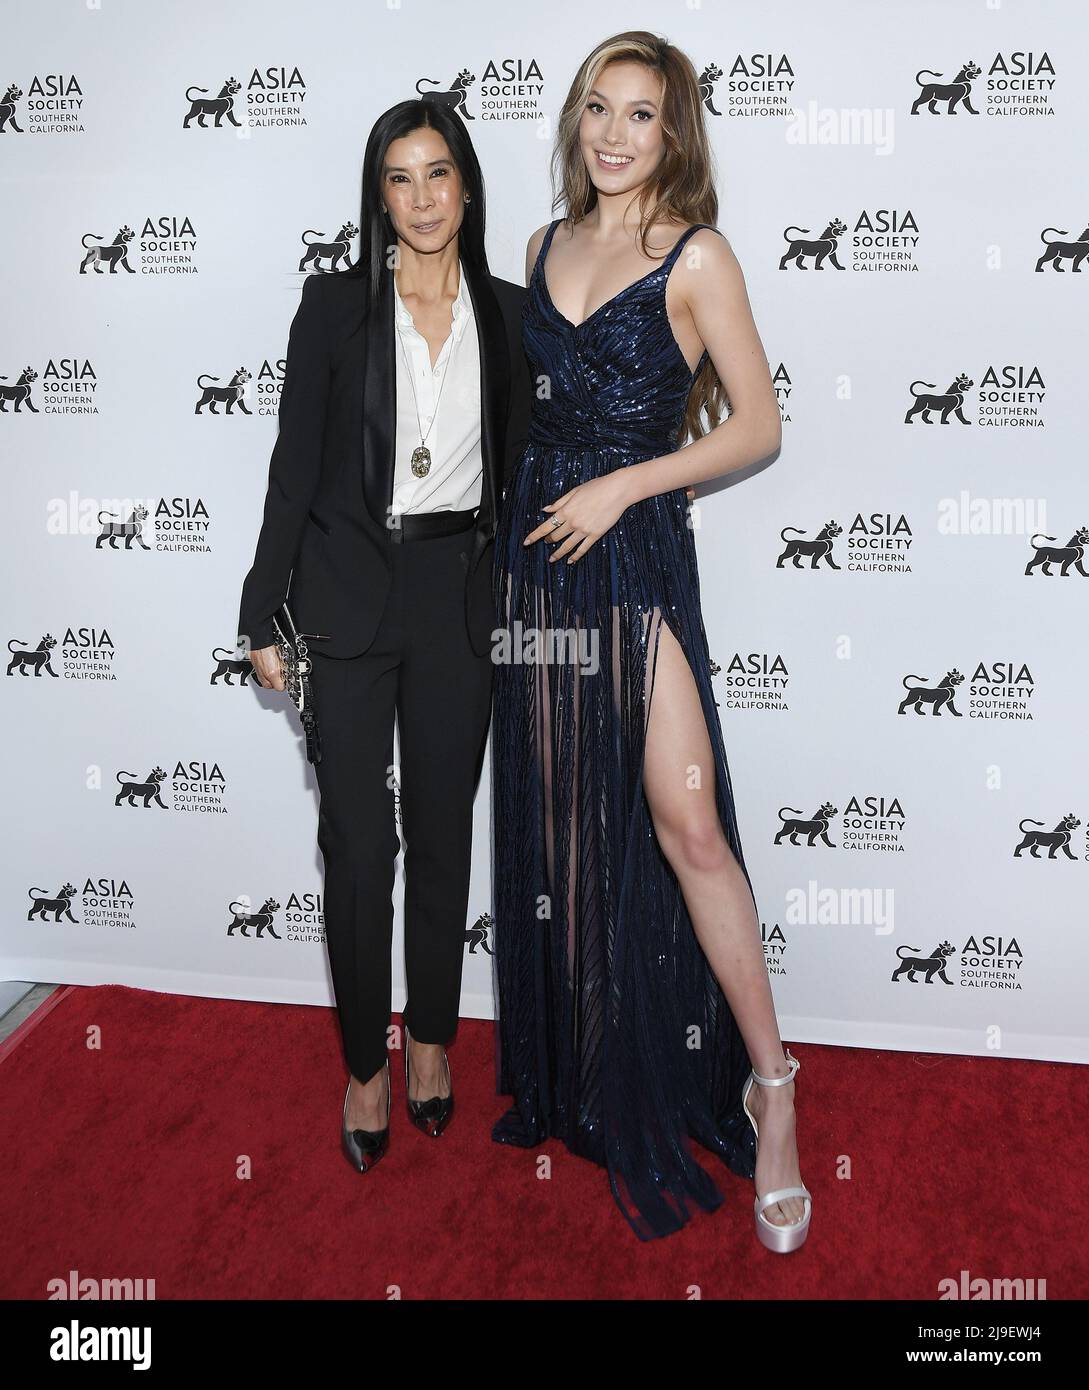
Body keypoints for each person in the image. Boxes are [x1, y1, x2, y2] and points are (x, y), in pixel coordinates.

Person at [490, 31, 810, 1248]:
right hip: (537, 567)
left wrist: (630, 487)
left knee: (686, 826)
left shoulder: (696, 255)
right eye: (596, 110)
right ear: (574, 120)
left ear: (673, 133)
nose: (614, 134)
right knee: (568, 821)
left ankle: (770, 1087)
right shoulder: (537, 246)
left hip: (632, 562)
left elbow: (759, 427)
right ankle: (601, 1067)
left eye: (640, 115)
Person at [237, 99, 531, 1173]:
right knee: (360, 847)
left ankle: (435, 1041)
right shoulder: (330, 310)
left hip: (458, 598)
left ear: (466, 186)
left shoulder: (508, 315)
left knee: (446, 835)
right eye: (399, 178)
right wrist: (259, 606)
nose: (420, 198)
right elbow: (291, 468)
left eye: (437, 174)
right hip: (346, 598)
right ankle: (367, 1055)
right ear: (378, 195)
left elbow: (527, 467)